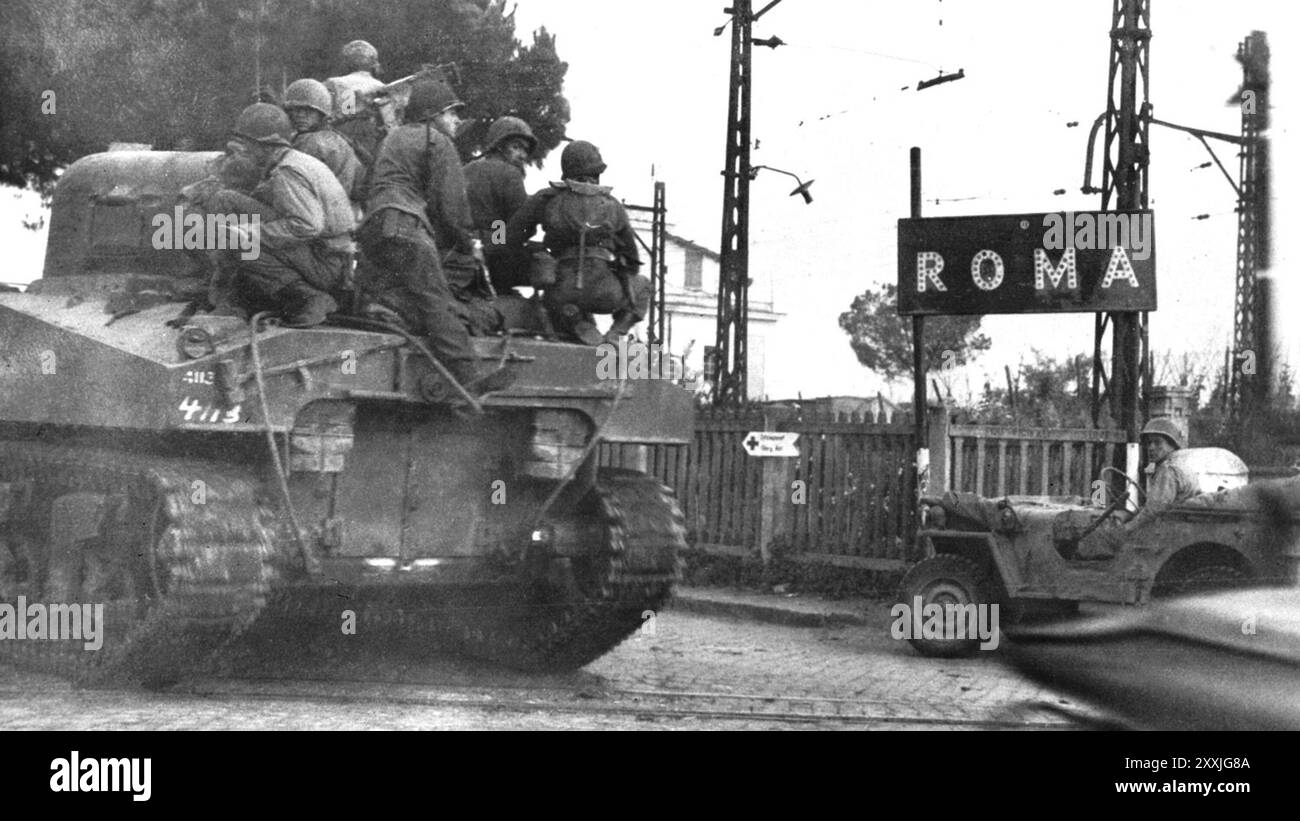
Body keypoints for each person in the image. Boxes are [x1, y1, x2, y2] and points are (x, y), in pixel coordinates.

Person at [356, 78, 511, 395]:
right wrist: (468, 245)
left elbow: (364, 186)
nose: (456, 121)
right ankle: (468, 377)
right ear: (432, 115)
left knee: (402, 290)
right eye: (452, 113)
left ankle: (385, 309)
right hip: (406, 224)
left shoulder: (392, 138)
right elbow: (451, 207)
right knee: (437, 302)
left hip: (374, 226)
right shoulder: (438, 143)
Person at [188, 103, 355, 327]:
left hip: (326, 264)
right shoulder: (294, 160)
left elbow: (306, 225)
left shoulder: (288, 172)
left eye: (248, 145)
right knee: (227, 199)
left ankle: (310, 298)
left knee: (242, 243)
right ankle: (225, 292)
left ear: (265, 146)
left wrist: (249, 233)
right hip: (328, 253)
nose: (244, 151)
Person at [506, 140, 649, 345]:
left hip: (560, 291)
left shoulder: (546, 197)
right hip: (604, 293)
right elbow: (633, 259)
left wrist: (493, 236)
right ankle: (616, 333)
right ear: (597, 173)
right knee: (643, 285)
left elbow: (509, 235)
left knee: (555, 298)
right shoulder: (612, 204)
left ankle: (573, 318)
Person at [1075, 417, 1198, 559]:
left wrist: (1128, 528)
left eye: (1158, 443)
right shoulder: (1179, 464)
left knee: (1097, 536)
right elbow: (1156, 506)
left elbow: (1154, 511)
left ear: (1172, 445)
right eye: (1149, 443)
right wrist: (1127, 514)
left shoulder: (1168, 470)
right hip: (1173, 527)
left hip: (1163, 532)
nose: (1151, 447)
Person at [463, 116, 536, 292]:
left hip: (463, 247)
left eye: (525, 150)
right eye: (516, 147)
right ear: (500, 146)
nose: (522, 155)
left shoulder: (465, 169)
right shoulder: (510, 173)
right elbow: (520, 224)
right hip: (494, 254)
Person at [283, 78, 367, 210]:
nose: (300, 115)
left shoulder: (312, 142)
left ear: (321, 114)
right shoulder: (338, 139)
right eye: (296, 110)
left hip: (316, 213)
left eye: (308, 111)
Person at [325, 40, 387, 169]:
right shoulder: (383, 88)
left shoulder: (332, 83)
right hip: (372, 151)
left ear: (346, 62)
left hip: (336, 148)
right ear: (373, 63)